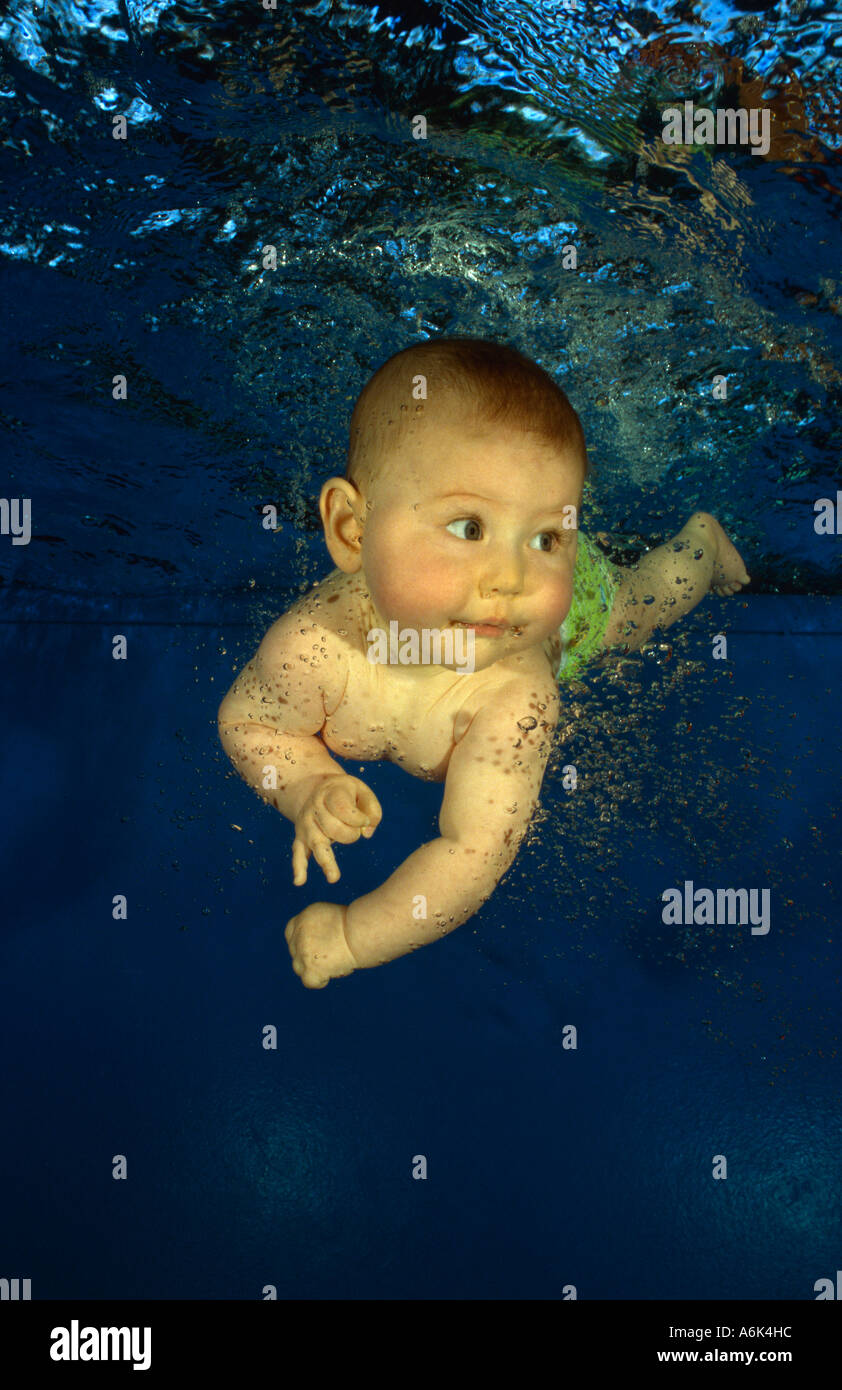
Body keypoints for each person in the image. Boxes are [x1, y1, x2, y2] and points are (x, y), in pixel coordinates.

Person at [217, 338, 750, 987]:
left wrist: (357, 936)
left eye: (547, 538)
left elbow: (473, 854)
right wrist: (304, 786)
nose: (512, 576)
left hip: (577, 614)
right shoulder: (313, 645)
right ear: (353, 531)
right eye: (468, 527)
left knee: (638, 608)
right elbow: (252, 724)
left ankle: (701, 542)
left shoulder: (518, 700)